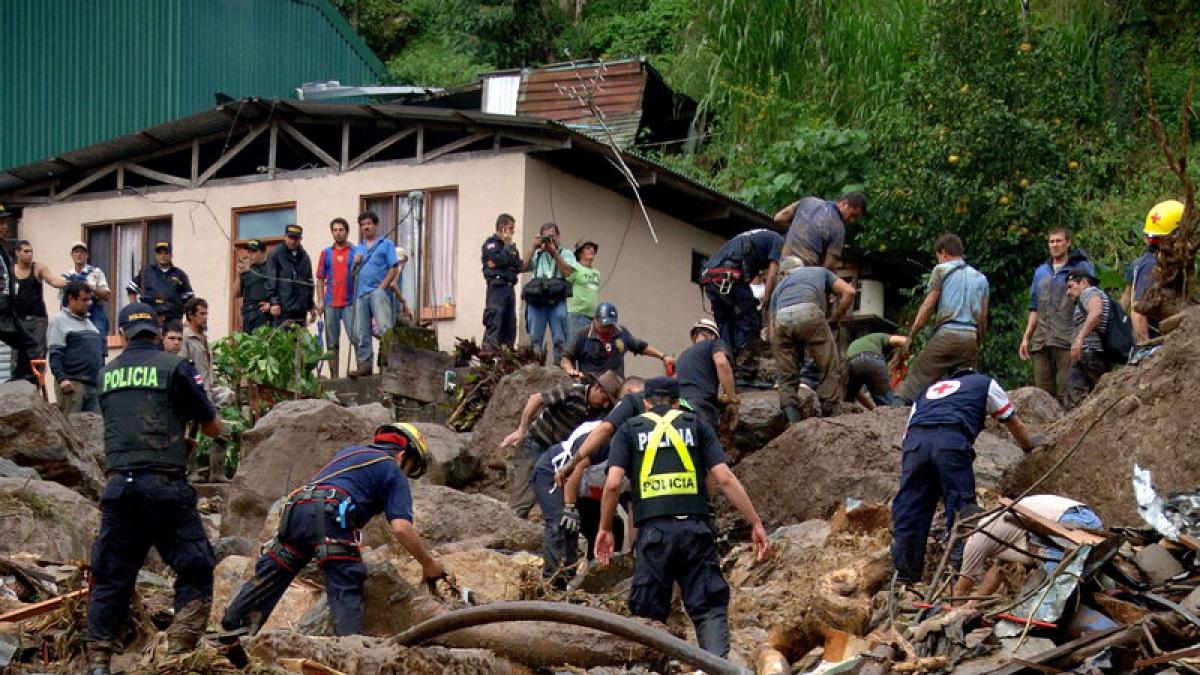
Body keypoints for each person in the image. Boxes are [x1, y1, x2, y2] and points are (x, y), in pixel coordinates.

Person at [85, 303, 229, 675]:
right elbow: (211, 426)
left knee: (112, 575)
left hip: (120, 488)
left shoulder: (107, 374)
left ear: (121, 332)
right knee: (195, 567)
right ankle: (178, 653)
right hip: (165, 487)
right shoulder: (175, 367)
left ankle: (99, 661)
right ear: (158, 328)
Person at [595, 377, 769, 657]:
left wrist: (606, 529)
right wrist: (755, 522)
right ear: (677, 402)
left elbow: (613, 483)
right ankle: (716, 667)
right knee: (708, 607)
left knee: (648, 614)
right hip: (696, 529)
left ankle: (653, 667)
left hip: (652, 534)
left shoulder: (628, 429)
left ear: (646, 403)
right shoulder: (698, 424)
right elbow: (723, 477)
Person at [220, 424, 446, 637]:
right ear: (403, 454)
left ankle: (231, 630)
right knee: (345, 584)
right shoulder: (392, 469)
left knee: (271, 575)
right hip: (332, 516)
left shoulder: (350, 453)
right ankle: (348, 652)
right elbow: (401, 527)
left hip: (296, 511)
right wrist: (428, 563)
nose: (407, 472)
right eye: (411, 466)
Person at [890, 369, 1040, 586]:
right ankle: (955, 577)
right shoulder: (984, 382)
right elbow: (1012, 421)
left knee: (911, 509)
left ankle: (904, 580)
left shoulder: (928, 390)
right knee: (963, 512)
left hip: (915, 445)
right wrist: (1029, 446)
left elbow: (908, 434)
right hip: (951, 440)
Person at [500, 371, 623, 518]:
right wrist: (521, 429)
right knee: (525, 492)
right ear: (597, 388)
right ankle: (512, 522)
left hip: (558, 454)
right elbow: (536, 398)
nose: (605, 404)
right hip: (538, 443)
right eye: (605, 398)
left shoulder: (600, 411)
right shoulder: (573, 392)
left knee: (552, 491)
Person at [895, 234, 990, 405]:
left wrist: (912, 334)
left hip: (947, 335)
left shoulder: (941, 270)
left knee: (917, 377)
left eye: (938, 257)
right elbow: (983, 317)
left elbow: (928, 306)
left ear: (943, 253)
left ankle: (895, 412)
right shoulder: (981, 279)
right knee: (964, 385)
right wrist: (978, 342)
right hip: (970, 338)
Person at [954, 495, 1102, 601]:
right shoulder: (1001, 526)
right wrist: (974, 604)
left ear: (968, 530)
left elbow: (962, 588)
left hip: (1070, 524)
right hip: (1091, 520)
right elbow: (997, 571)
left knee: (1046, 597)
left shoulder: (980, 533)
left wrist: (953, 615)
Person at [771, 259, 856, 421]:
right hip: (809, 312)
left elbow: (772, 326)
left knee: (787, 375)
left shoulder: (779, 288)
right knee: (829, 365)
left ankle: (792, 421)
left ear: (785, 274)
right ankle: (830, 414)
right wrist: (835, 318)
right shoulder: (819, 271)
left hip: (781, 319)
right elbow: (849, 292)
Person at [1019, 228, 1096, 398]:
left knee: (1068, 391)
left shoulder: (1081, 267)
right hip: (1041, 340)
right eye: (1051, 241)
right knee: (1042, 393)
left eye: (1059, 241)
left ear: (1068, 242)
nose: (1055, 245)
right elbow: (1034, 308)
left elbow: (1093, 300)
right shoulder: (1041, 272)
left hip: (1067, 338)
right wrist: (1026, 338)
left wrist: (1083, 337)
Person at [699, 228, 783, 382]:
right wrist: (766, 300)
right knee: (750, 321)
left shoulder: (753, 236)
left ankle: (726, 370)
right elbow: (772, 274)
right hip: (729, 277)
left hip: (710, 278)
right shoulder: (778, 241)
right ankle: (745, 373)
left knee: (726, 324)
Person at [1122, 199, 1183, 344]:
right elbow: (1138, 310)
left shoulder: (1168, 264)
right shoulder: (1152, 265)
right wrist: (1146, 348)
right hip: (1158, 341)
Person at [561, 302, 674, 378]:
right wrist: (570, 370)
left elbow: (641, 347)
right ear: (595, 320)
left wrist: (663, 356)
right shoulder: (583, 335)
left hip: (616, 387)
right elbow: (566, 357)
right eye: (604, 325)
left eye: (610, 325)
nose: (608, 329)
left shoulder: (621, 332)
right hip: (591, 388)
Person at [350, 211, 400, 378]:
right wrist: (355, 263)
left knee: (385, 328)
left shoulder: (386, 244)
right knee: (362, 331)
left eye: (369, 223)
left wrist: (382, 287)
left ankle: (388, 363)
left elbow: (394, 267)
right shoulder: (358, 248)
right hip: (361, 293)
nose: (366, 226)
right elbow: (353, 273)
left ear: (376, 225)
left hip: (378, 292)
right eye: (363, 224)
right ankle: (365, 365)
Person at [522, 222, 576, 364]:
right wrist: (532, 248)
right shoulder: (537, 253)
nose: (549, 241)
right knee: (535, 340)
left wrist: (554, 253)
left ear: (558, 237)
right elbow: (521, 267)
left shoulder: (567, 253)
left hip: (557, 300)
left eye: (552, 237)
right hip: (537, 300)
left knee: (560, 340)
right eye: (545, 238)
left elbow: (568, 273)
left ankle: (559, 371)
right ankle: (535, 370)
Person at [47, 281, 105, 413]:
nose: (89, 303)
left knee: (95, 430)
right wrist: (62, 379)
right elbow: (55, 354)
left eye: (90, 299)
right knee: (72, 429)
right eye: (84, 300)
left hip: (93, 387)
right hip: (72, 385)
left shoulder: (90, 323)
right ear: (71, 299)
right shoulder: (59, 321)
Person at [773, 191, 867, 270]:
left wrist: (798, 226)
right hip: (806, 272)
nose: (852, 220)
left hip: (785, 265)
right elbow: (829, 266)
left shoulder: (808, 201)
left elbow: (778, 218)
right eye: (853, 215)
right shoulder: (839, 229)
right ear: (844, 204)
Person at [1062, 270, 1111, 409]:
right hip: (1091, 353)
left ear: (1083, 283)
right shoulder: (1093, 294)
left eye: (1070, 286)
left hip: (1090, 352)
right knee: (1086, 399)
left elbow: (1096, 312)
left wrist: (1079, 339)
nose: (1068, 292)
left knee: (1076, 401)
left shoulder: (1088, 293)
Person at [676, 318, 738, 427]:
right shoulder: (714, 343)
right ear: (713, 335)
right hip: (701, 409)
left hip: (680, 410)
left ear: (694, 336)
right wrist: (731, 397)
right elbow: (722, 363)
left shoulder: (682, 356)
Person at [316, 220, 359, 377]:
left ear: (347, 232)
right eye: (335, 230)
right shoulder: (326, 253)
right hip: (330, 304)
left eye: (341, 229)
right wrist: (320, 301)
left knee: (356, 338)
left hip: (350, 303)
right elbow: (320, 278)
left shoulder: (355, 251)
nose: (338, 232)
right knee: (332, 343)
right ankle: (334, 377)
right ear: (332, 232)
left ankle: (361, 372)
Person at [0, 206, 38, 382]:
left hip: (8, 311)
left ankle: (18, 384)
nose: (5, 226)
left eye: (5, 222)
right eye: (1, 223)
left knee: (29, 343)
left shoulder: (4, 251)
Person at [13, 240, 66, 360]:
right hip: (18, 321)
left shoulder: (37, 267)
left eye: (31, 251)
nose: (29, 254)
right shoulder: (11, 271)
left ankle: (37, 378)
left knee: (38, 357)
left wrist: (72, 282)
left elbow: (53, 281)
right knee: (17, 358)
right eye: (26, 251)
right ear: (17, 253)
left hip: (38, 320)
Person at [481, 213, 522, 352]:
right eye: (511, 228)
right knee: (494, 324)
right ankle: (487, 363)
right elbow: (502, 260)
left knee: (509, 327)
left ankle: (506, 362)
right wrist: (507, 251)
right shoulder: (491, 244)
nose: (513, 231)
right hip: (497, 289)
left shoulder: (510, 245)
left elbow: (517, 265)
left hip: (510, 289)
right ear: (502, 228)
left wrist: (504, 261)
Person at [126, 242, 194, 323]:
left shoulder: (180, 274)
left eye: (166, 253)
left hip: (173, 319)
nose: (163, 256)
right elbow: (131, 289)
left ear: (171, 255)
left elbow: (190, 300)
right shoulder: (146, 271)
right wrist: (135, 308)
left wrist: (188, 321)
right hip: (149, 318)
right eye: (160, 253)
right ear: (155, 255)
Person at [266, 224, 315, 327]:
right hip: (283, 309)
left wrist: (311, 305)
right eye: (290, 237)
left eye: (296, 238)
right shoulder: (275, 254)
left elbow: (309, 282)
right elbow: (271, 280)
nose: (292, 241)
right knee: (283, 341)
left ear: (300, 239)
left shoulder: (304, 257)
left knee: (300, 341)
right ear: (284, 237)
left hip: (301, 309)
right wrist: (274, 302)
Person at [844, 333, 907, 409]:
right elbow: (905, 340)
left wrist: (873, 409)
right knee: (888, 403)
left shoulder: (856, 344)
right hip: (872, 359)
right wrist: (901, 358)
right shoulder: (880, 336)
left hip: (853, 362)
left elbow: (858, 394)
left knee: (848, 400)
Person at [62, 241, 112, 337]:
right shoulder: (67, 276)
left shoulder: (95, 272)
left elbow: (107, 296)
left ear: (87, 255)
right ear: (72, 255)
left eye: (82, 252)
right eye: (76, 252)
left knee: (98, 340)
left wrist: (91, 288)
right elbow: (63, 302)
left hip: (94, 314)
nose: (79, 254)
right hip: (73, 316)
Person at [233, 239, 272, 334]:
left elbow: (281, 290)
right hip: (249, 314)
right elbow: (235, 294)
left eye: (254, 252)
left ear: (263, 252)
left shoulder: (271, 268)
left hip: (265, 314)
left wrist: (271, 304)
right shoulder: (247, 269)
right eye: (249, 252)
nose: (251, 255)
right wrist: (238, 275)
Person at [567, 238, 602, 341]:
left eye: (593, 249)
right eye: (588, 248)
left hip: (592, 317)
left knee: (589, 348)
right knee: (576, 345)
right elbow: (566, 283)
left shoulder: (597, 273)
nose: (592, 250)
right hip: (577, 314)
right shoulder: (575, 268)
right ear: (580, 252)